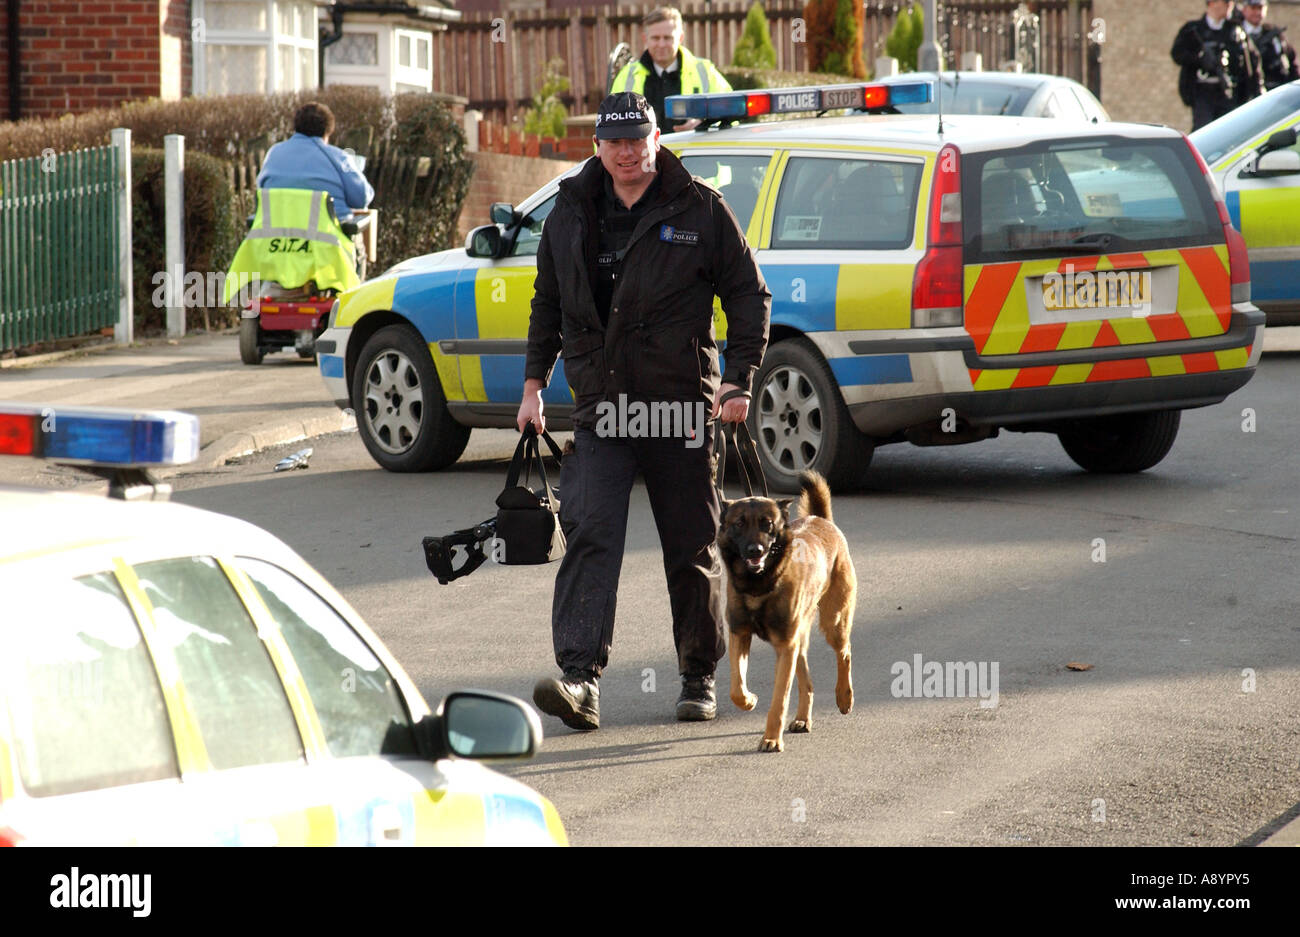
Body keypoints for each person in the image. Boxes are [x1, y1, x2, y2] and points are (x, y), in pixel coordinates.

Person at [517, 92, 771, 730]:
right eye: (616, 141)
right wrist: (532, 386)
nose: (628, 152)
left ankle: (697, 676)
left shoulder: (700, 209)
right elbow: (548, 304)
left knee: (689, 547)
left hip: (680, 405)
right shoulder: (570, 213)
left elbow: (748, 294)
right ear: (597, 146)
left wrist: (737, 380)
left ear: (657, 139)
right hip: (602, 406)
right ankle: (580, 679)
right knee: (590, 533)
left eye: (639, 139)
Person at [611, 6, 731, 133]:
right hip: (643, 153)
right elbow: (608, 128)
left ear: (680, 38)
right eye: (655, 38)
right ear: (645, 39)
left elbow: (731, 111)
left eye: (667, 38)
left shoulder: (705, 72)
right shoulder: (626, 76)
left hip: (691, 152)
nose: (661, 44)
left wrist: (704, 122)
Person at [256, 102, 373, 223]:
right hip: (328, 239)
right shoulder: (338, 158)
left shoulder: (274, 154)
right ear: (327, 131)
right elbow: (362, 199)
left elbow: (261, 192)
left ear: (296, 127)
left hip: (275, 238)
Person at [1172, 0, 1264, 130]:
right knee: (1203, 132)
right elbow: (1177, 54)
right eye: (1226, 1)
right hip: (1203, 91)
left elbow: (1252, 62)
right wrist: (1200, 59)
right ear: (1212, 3)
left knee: (1229, 132)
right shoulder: (1194, 29)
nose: (1229, 5)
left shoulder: (1235, 31)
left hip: (1229, 91)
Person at [1239, 1, 1299, 90]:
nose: (1257, 13)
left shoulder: (1273, 34)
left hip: (1274, 89)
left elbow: (1291, 60)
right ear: (1244, 10)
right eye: (1253, 8)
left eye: (1260, 8)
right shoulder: (1236, 34)